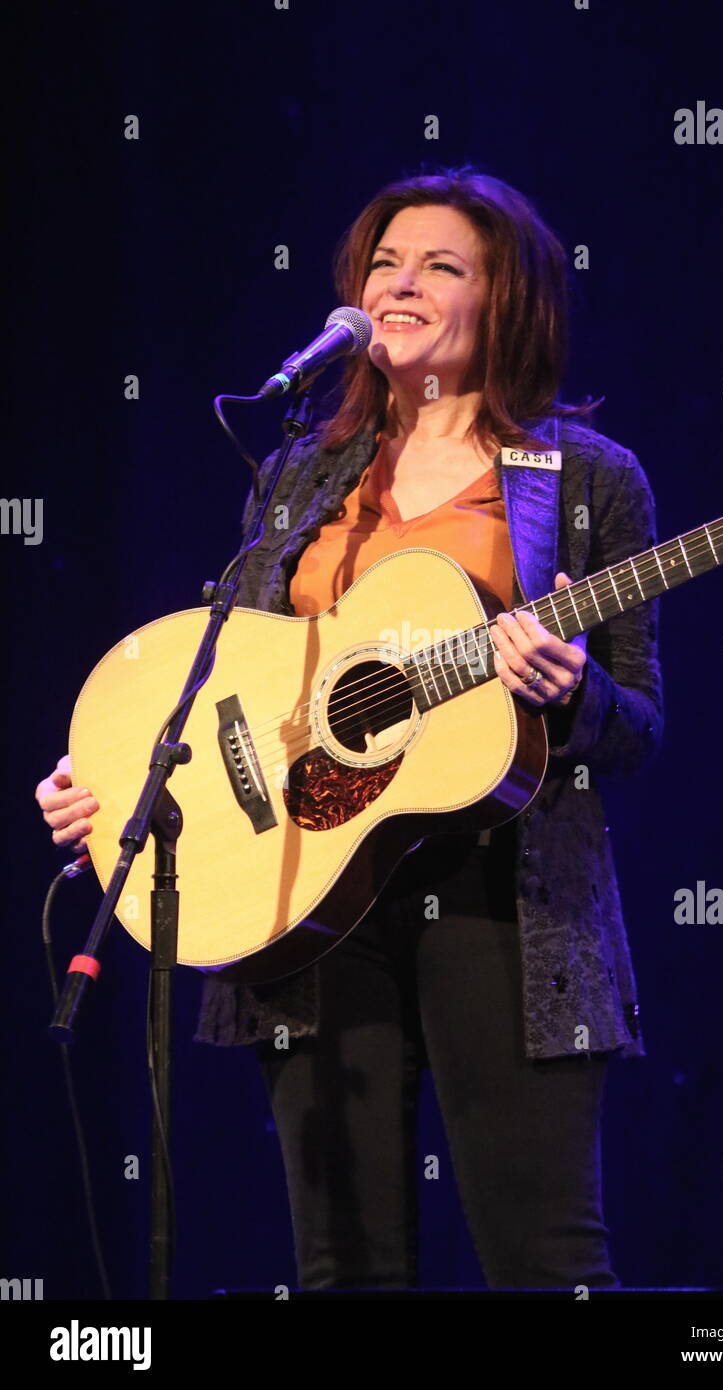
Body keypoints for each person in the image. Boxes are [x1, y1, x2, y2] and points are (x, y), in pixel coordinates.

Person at [35, 167, 663, 1292]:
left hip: (503, 902)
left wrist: (568, 693)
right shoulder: (299, 473)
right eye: (382, 263)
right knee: (343, 1269)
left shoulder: (581, 480)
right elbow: (233, 671)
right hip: (307, 901)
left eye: (439, 265)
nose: (399, 283)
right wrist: (122, 779)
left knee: (545, 1263)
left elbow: (638, 723)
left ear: (504, 300)